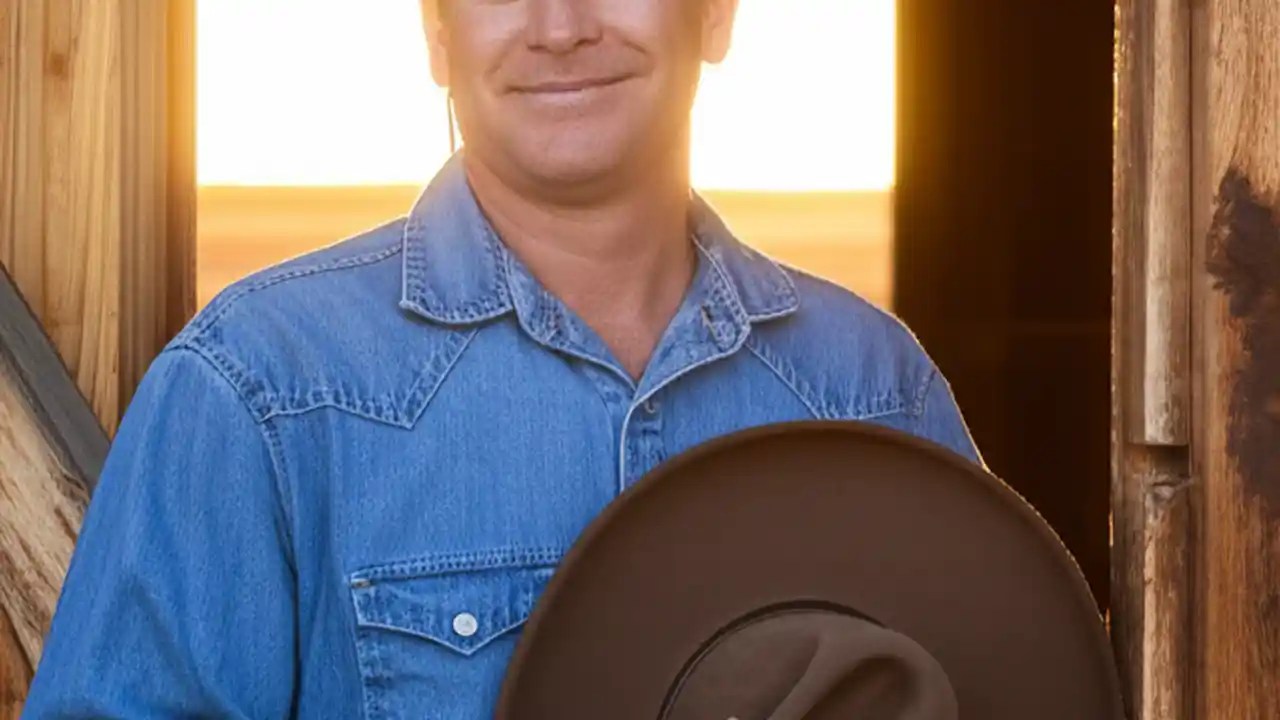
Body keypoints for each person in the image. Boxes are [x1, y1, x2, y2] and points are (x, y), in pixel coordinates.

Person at [23, 1, 982, 717]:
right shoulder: (259, 393)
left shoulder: (871, 390)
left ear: (716, 12)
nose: (559, 26)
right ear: (438, 37)